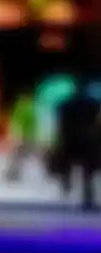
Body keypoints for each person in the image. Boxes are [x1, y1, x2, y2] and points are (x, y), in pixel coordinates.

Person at [56, 77, 100, 211]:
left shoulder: (65, 105)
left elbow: (61, 124)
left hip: (71, 139)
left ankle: (68, 186)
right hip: (88, 140)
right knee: (88, 172)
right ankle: (87, 197)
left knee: (67, 165)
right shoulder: (92, 104)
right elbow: (96, 123)